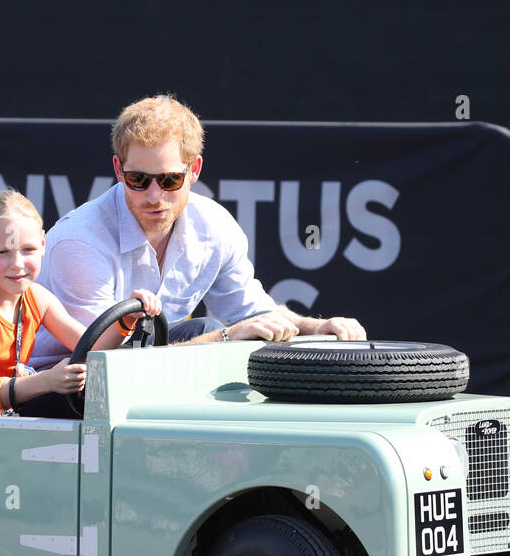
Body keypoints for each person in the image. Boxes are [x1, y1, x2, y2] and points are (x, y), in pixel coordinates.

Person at [29, 94, 366, 370]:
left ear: (194, 171)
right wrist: (225, 338)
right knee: (212, 333)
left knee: (220, 335)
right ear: (119, 170)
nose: (153, 195)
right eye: (138, 180)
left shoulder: (215, 226)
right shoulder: (80, 240)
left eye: (169, 179)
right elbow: (103, 364)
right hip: (57, 383)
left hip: (134, 373)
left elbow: (254, 314)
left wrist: (315, 329)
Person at [0, 189, 160, 416]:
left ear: (43, 244)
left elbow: (91, 349)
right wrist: (48, 380)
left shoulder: (38, 297)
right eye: (2, 252)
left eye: (28, 250)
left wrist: (126, 320)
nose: (17, 263)